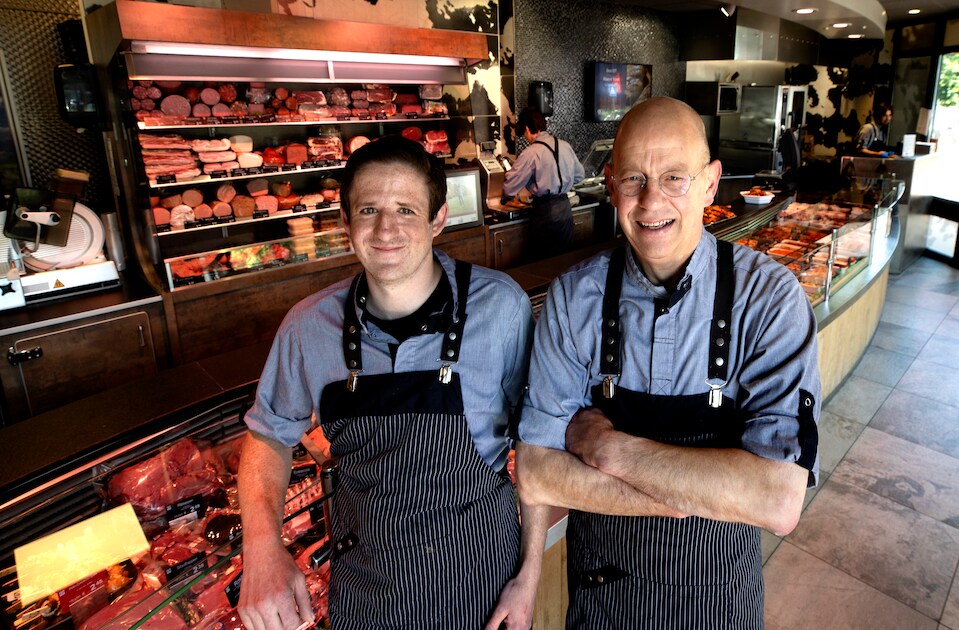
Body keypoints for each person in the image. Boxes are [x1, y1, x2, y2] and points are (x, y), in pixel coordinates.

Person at [516, 96, 821, 628]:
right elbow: (539, 475)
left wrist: (606, 448)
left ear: (710, 182)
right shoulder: (573, 298)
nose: (650, 200)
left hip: (718, 603)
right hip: (601, 600)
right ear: (611, 185)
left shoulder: (769, 299)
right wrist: (700, 493)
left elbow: (776, 500)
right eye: (634, 178)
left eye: (675, 177)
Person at [237, 136, 549, 630]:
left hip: (483, 583)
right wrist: (261, 548)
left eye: (406, 209)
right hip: (366, 590)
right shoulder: (307, 327)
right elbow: (267, 436)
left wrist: (531, 574)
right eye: (368, 209)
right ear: (345, 223)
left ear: (437, 220)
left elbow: (537, 443)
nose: (386, 229)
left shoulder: (501, 307)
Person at [503, 106, 585, 262]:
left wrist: (506, 197)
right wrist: (560, 183)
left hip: (545, 212)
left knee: (543, 262)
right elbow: (580, 175)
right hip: (565, 208)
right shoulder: (564, 145)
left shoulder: (531, 152)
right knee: (565, 259)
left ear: (527, 128)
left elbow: (511, 184)